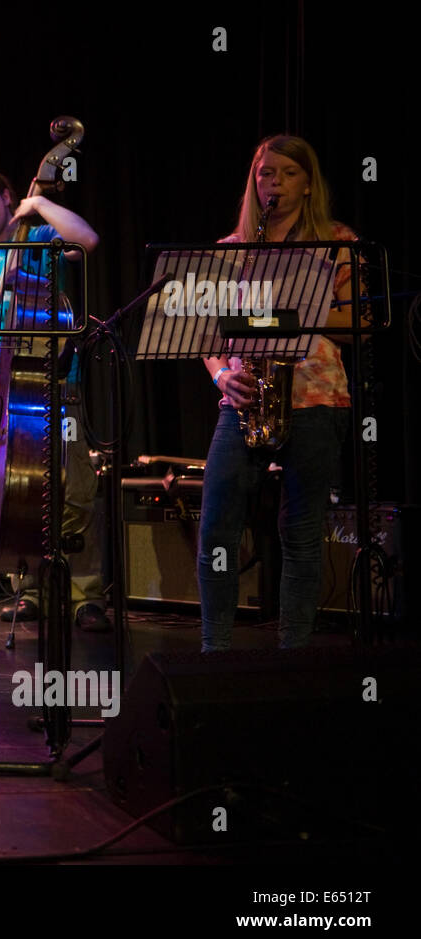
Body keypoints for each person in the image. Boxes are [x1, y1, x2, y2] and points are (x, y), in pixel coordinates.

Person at [198, 134, 359, 651]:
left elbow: (357, 319)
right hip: (246, 398)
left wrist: (292, 318)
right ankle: (213, 650)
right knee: (216, 529)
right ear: (255, 181)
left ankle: (294, 653)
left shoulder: (336, 241)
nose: (276, 183)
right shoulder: (230, 251)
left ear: (308, 184)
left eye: (289, 174)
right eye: (267, 174)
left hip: (317, 398)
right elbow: (206, 335)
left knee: (302, 533)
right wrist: (224, 376)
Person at [0, 168, 108, 631]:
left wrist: (38, 204)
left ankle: (86, 593)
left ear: (7, 198)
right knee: (16, 493)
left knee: (76, 487)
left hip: (55, 384)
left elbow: (89, 241)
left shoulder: (39, 236)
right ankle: (27, 590)